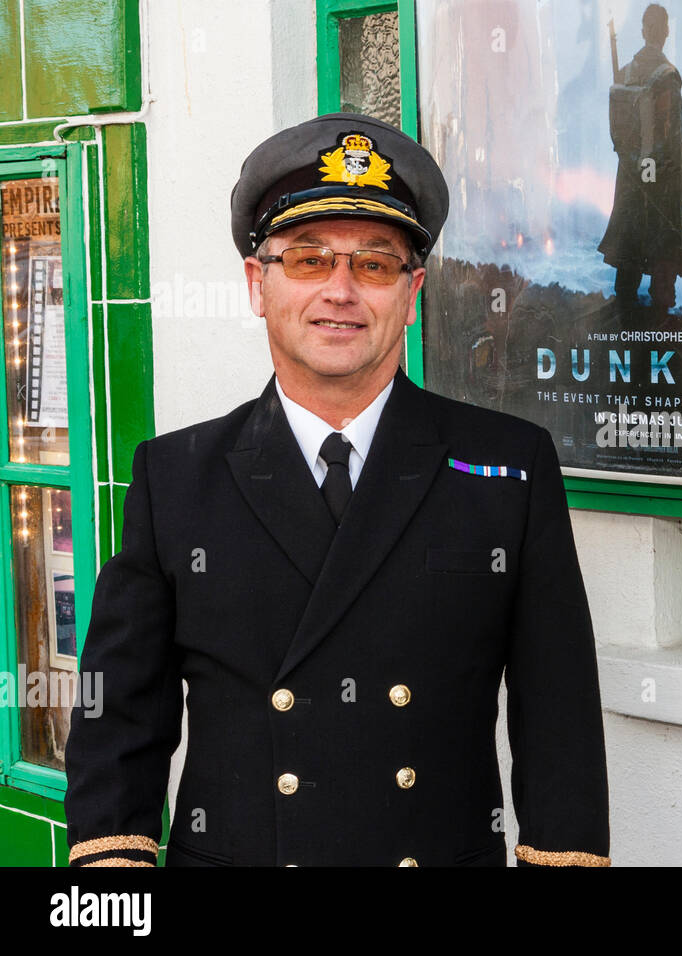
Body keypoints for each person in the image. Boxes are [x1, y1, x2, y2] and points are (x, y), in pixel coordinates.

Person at [63, 113, 610, 867]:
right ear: (259, 284)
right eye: (309, 260)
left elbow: (560, 720)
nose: (342, 291)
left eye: (375, 265)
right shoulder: (176, 477)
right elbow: (119, 722)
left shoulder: (510, 468)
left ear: (412, 293)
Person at [598, 3, 682, 316]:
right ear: (665, 31)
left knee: (630, 236)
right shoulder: (668, 76)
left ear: (643, 31)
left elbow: (618, 130)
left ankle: (625, 300)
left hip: (629, 171)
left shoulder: (626, 71)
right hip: (661, 175)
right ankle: (662, 309)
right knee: (663, 240)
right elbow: (673, 133)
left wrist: (633, 161)